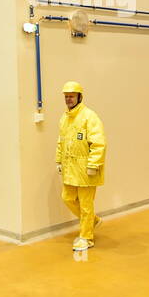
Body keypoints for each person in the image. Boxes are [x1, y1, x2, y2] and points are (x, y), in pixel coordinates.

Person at [55, 80, 107, 252]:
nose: (69, 99)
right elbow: (60, 142)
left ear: (79, 96)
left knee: (86, 205)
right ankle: (92, 221)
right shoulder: (64, 118)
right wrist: (59, 161)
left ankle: (86, 237)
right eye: (66, 96)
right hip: (70, 167)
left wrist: (94, 164)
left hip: (86, 169)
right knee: (67, 198)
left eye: (71, 96)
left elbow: (99, 143)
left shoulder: (89, 116)